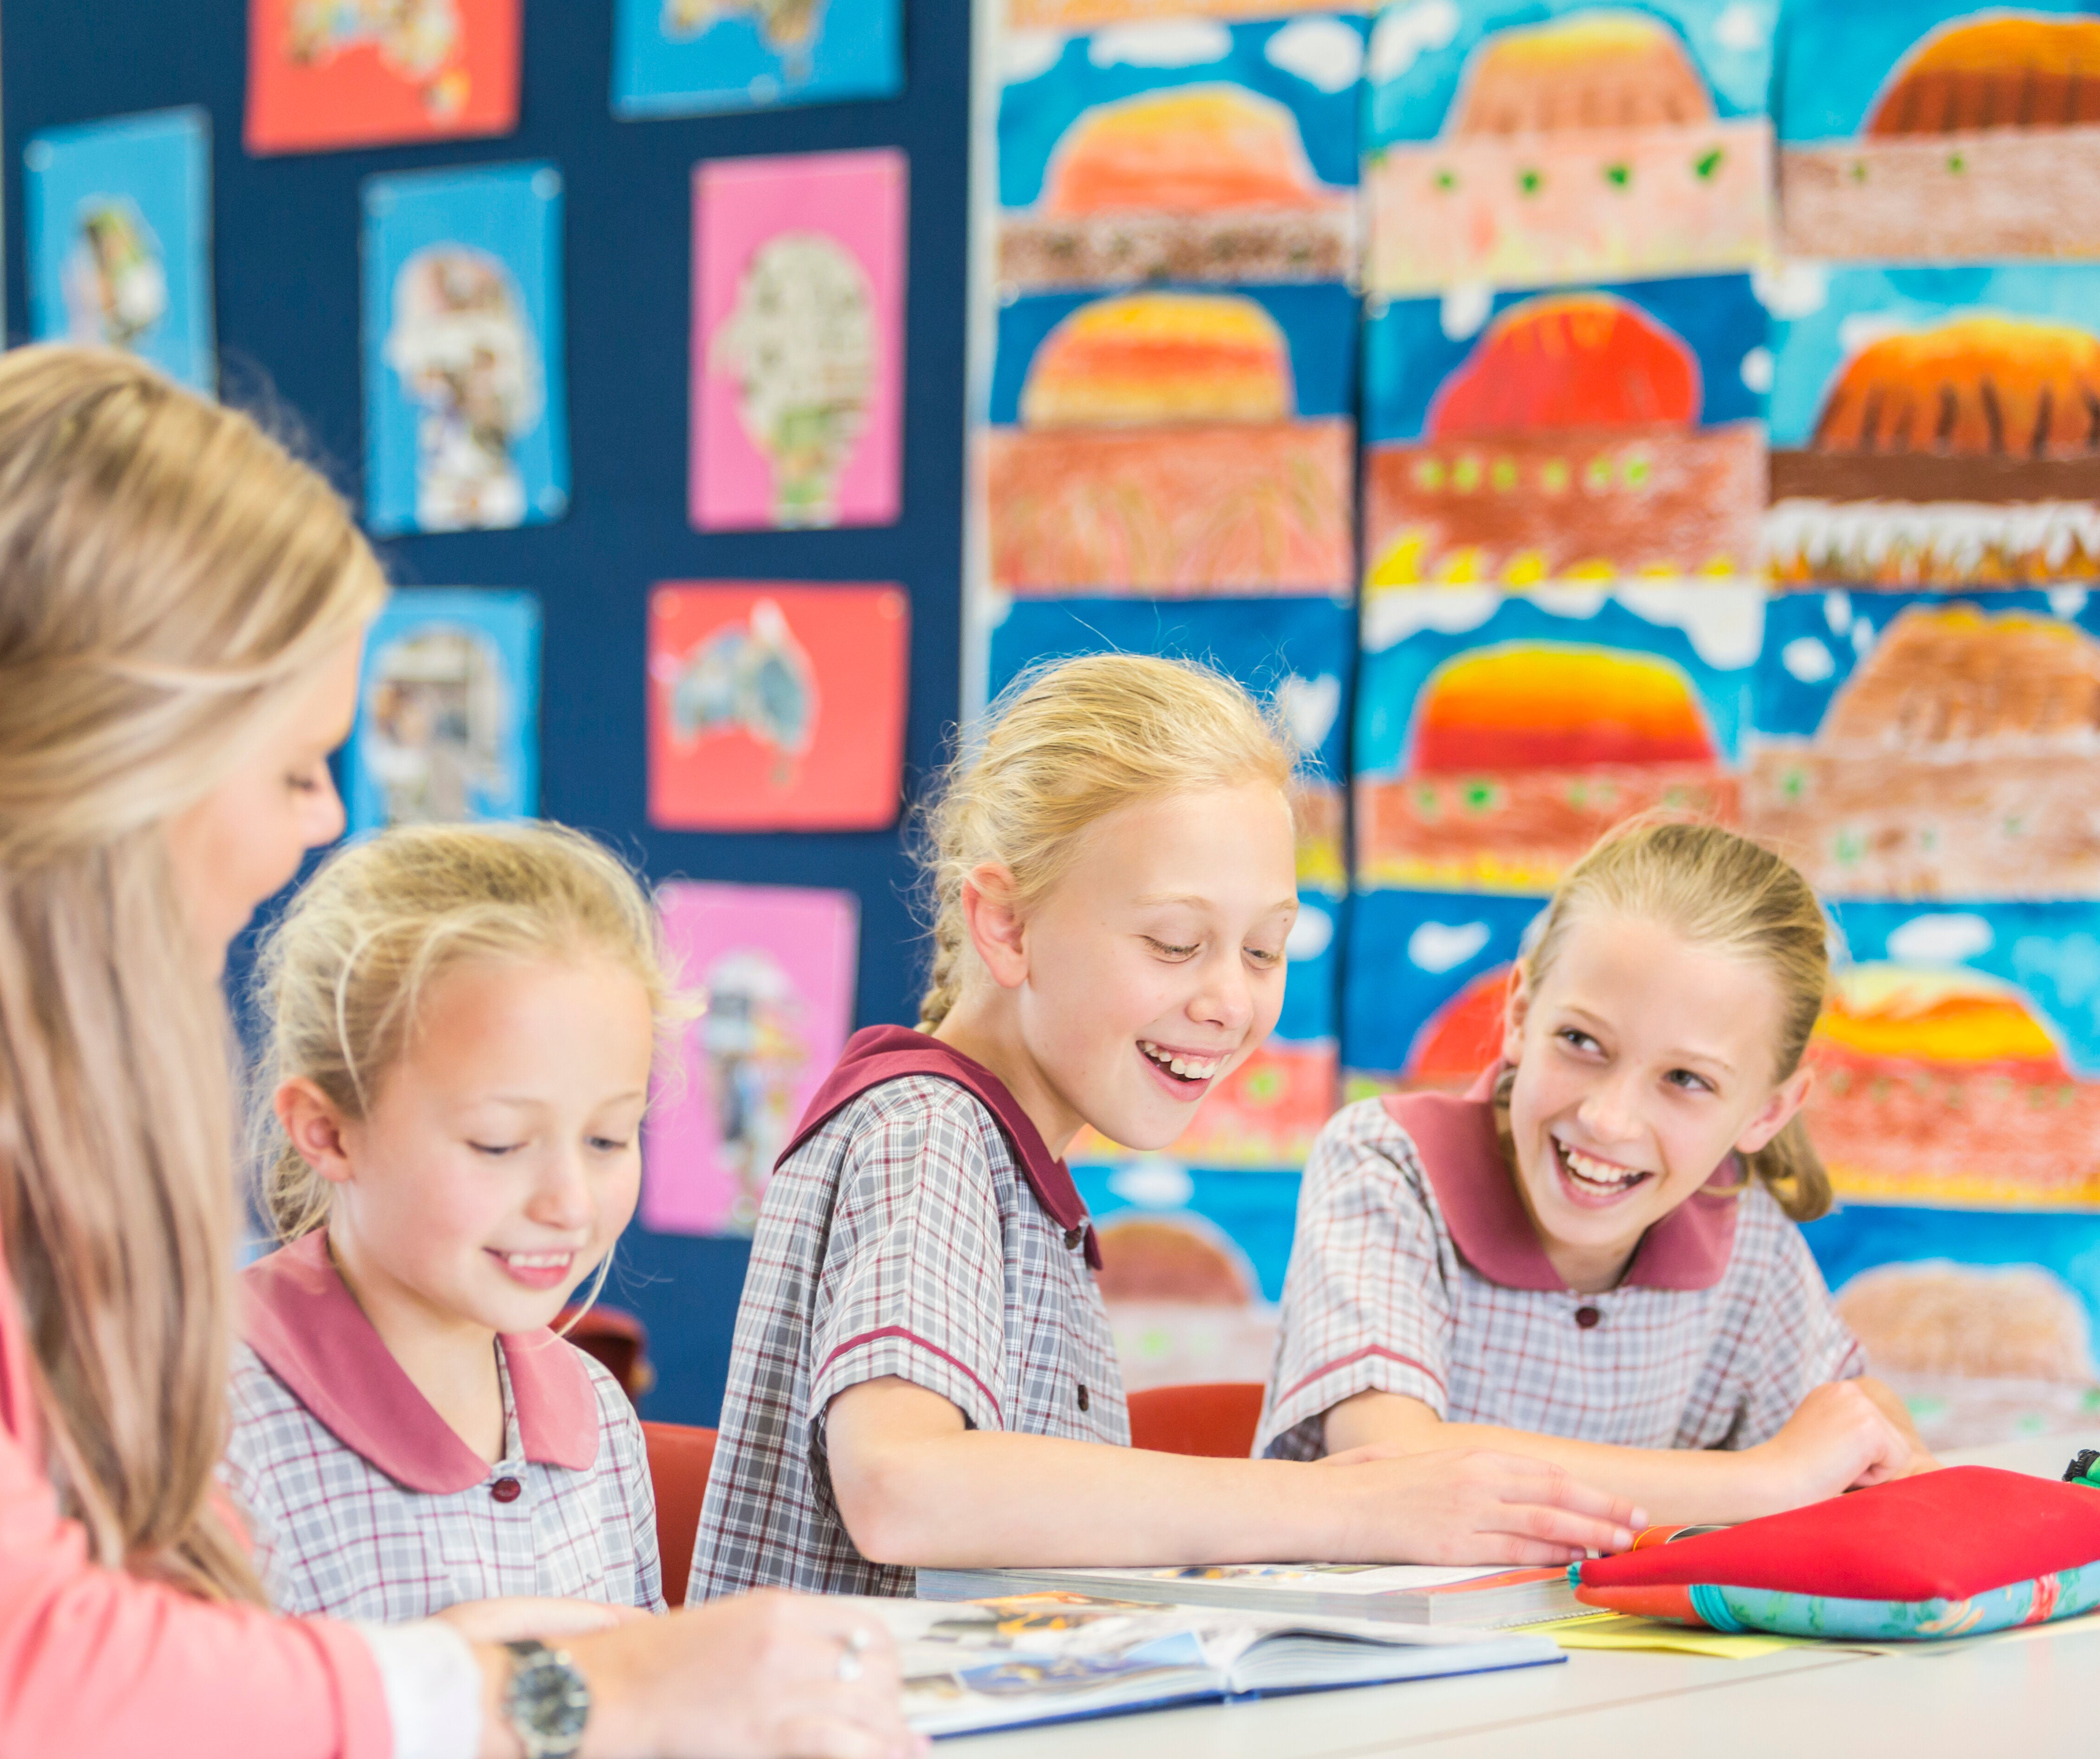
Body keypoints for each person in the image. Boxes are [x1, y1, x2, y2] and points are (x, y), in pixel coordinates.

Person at [0, 346, 911, 1759]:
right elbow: (19, 1657)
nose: (322, 818)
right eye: (289, 764)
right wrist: (572, 1697)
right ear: (116, 753)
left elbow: (28, 1623)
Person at [687, 655, 1644, 1603]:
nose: (1230, 1000)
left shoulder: (997, 1154)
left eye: (1266, 949)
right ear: (1009, 926)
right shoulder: (929, 1130)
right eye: (1175, 944)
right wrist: (1347, 1508)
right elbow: (902, 1486)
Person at [1254, 820, 1934, 1525]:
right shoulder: (1386, 1166)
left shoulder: (1741, 1227)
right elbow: (1391, 1459)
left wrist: (1878, 1443)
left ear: (1768, 1112)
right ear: (1520, 1016)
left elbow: (1846, 1415)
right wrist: (1767, 1482)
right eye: (1582, 1041)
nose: (1609, 1119)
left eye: (1685, 1079)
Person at [223, 822, 668, 1620]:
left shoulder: (598, 1410)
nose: (568, 1203)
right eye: (498, 1144)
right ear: (328, 1131)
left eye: (607, 1138)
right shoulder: (204, 1426)